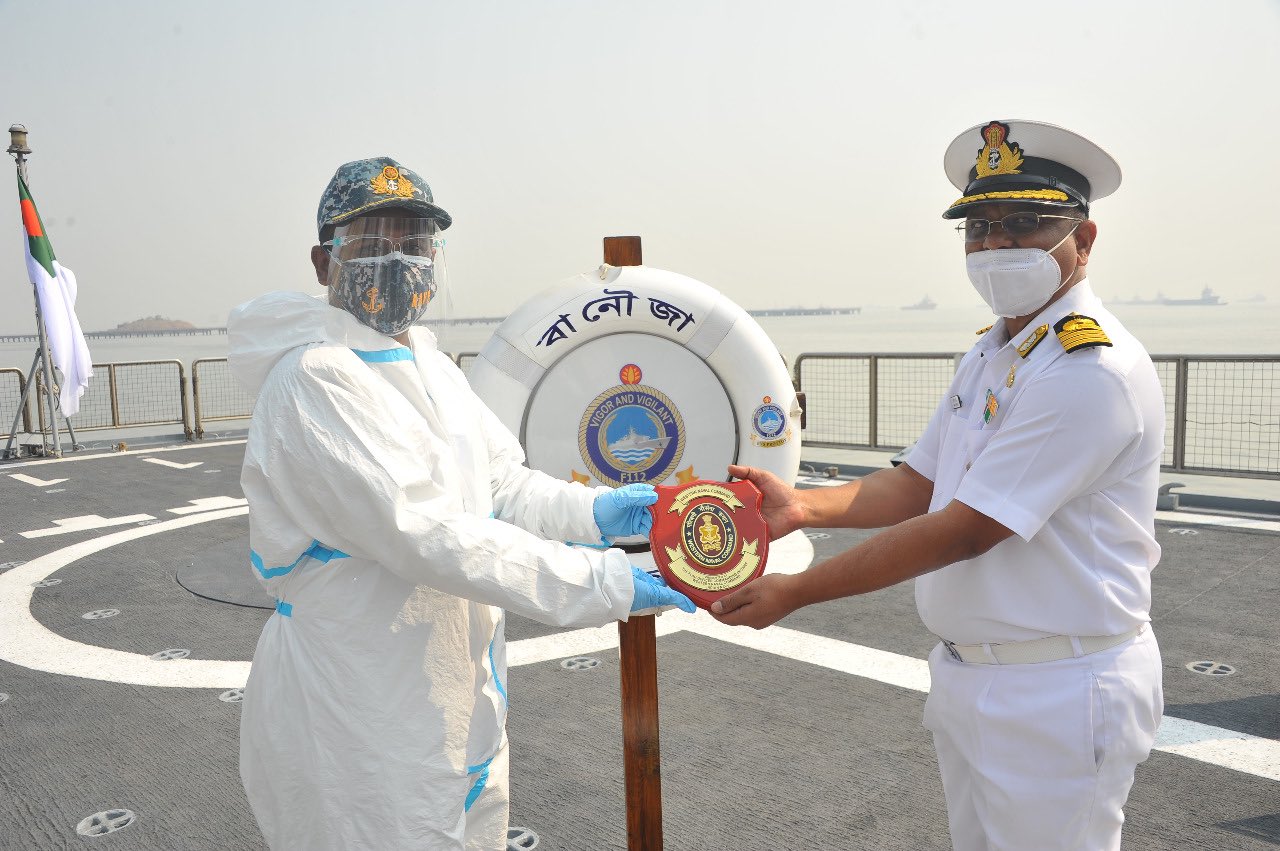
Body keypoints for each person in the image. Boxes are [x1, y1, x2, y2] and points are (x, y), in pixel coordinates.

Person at [713, 121, 1164, 850]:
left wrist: (795, 591)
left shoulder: (1088, 370)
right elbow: (919, 483)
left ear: (1083, 239)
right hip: (974, 676)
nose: (996, 245)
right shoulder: (995, 350)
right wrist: (801, 506)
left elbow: (963, 528)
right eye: (979, 228)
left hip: (1059, 686)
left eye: (1025, 223)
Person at [227, 156, 692, 851]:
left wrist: (599, 514)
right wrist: (608, 581)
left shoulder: (433, 367)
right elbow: (428, 533)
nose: (399, 261)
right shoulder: (313, 379)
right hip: (359, 708)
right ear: (325, 262)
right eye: (374, 243)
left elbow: (503, 486)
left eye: (415, 245)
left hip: (459, 694)